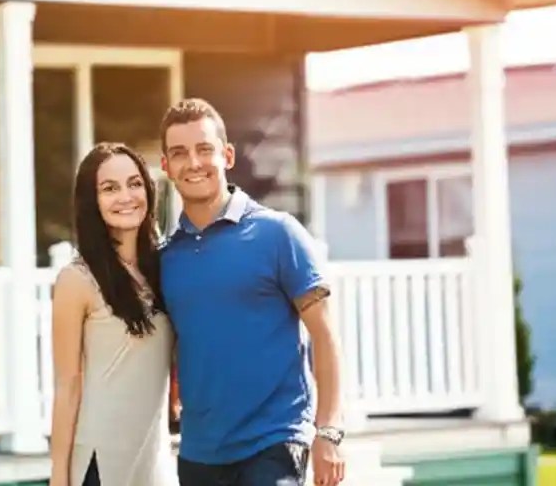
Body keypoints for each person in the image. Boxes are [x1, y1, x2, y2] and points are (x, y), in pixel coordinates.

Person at [159, 98, 347, 486]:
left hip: (274, 443)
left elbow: (325, 335)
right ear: (166, 166)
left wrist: (328, 431)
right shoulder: (166, 257)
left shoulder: (278, 233)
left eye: (204, 149)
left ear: (226, 156)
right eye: (179, 153)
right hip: (199, 454)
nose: (193, 163)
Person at [49, 142, 178, 486]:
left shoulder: (164, 270)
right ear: (91, 201)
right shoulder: (76, 280)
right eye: (110, 188)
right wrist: (59, 478)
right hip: (100, 464)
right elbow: (67, 386)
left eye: (135, 183)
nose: (126, 196)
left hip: (155, 462)